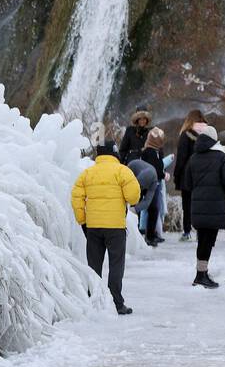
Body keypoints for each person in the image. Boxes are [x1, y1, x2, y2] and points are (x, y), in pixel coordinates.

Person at [71, 140, 141, 314]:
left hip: (93, 227)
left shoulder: (87, 173)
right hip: (115, 227)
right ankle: (117, 303)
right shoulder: (122, 171)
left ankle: (93, 302)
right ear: (115, 152)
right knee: (116, 264)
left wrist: (83, 221)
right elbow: (133, 197)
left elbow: (76, 197)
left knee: (94, 266)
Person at [182, 125, 225, 287]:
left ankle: (201, 272)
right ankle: (201, 275)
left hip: (197, 205)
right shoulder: (221, 156)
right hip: (214, 205)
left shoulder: (193, 157)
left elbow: (187, 184)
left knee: (202, 240)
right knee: (208, 240)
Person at [173, 109, 206, 240]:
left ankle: (187, 232)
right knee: (202, 204)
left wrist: (177, 175)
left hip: (188, 175)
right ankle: (201, 232)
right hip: (205, 174)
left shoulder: (186, 135)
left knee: (187, 205)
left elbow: (181, 158)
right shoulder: (208, 134)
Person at [139, 129, 166, 246]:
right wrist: (164, 175)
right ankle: (149, 236)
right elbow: (153, 169)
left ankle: (152, 233)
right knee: (153, 209)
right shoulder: (150, 152)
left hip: (154, 183)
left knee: (154, 209)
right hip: (150, 185)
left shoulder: (154, 151)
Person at [127, 155, 159, 239]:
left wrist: (134, 209)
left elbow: (147, 201)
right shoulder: (132, 166)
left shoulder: (154, 182)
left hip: (144, 182)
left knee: (154, 208)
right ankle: (133, 231)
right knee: (134, 200)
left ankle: (150, 236)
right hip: (134, 179)